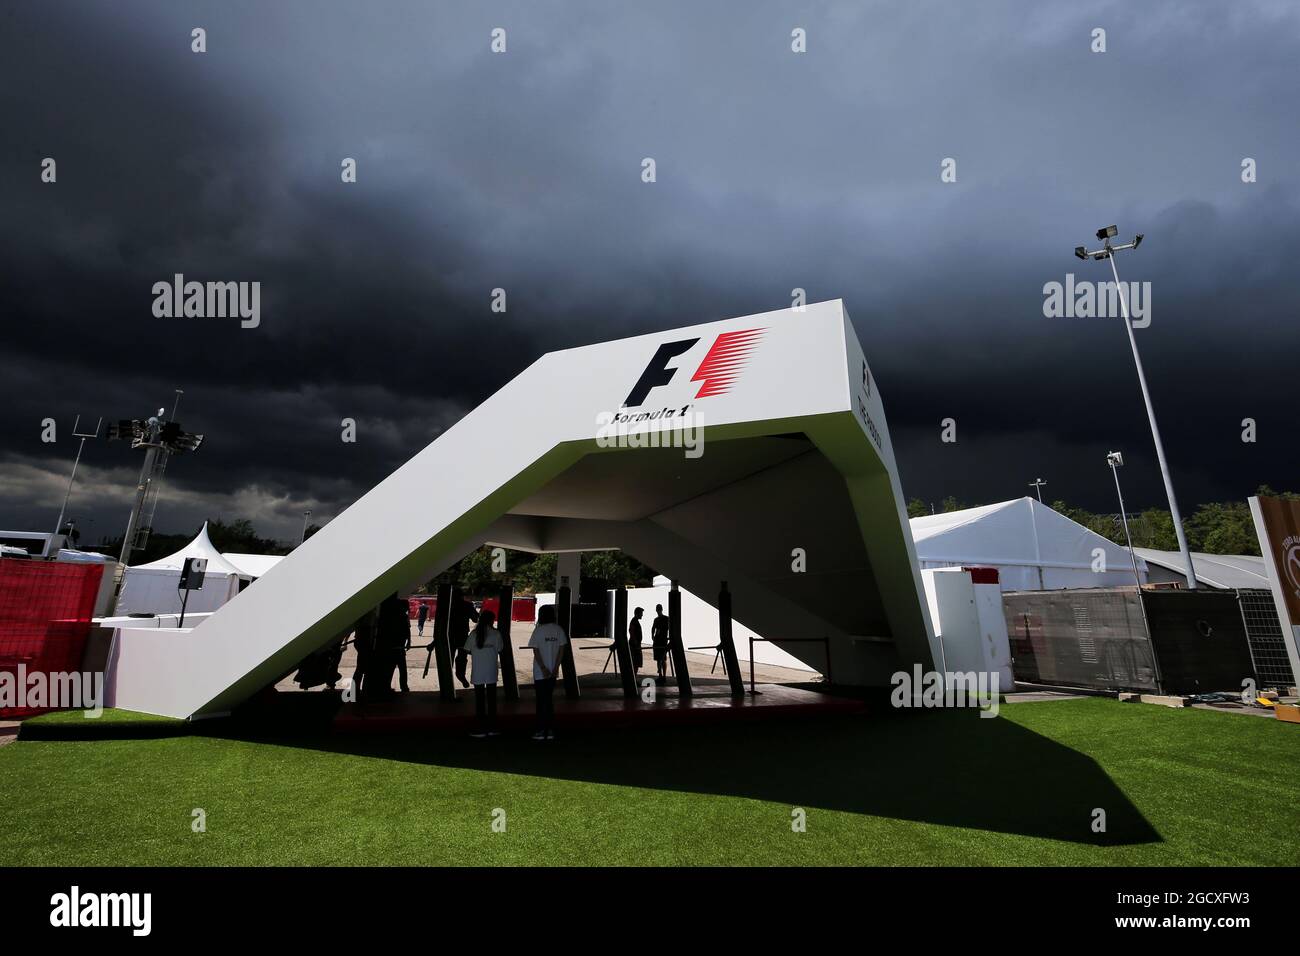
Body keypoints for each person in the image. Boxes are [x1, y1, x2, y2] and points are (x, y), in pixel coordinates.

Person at [528, 604, 569, 741]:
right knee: (549, 700)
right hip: (553, 671)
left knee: (541, 701)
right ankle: (550, 730)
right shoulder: (558, 630)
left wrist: (543, 668)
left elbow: (536, 650)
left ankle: (540, 730)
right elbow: (561, 650)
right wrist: (556, 667)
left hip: (541, 672)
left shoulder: (538, 631)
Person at [463, 609, 503, 737]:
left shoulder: (474, 634)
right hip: (491, 670)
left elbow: (467, 650)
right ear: (492, 620)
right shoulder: (496, 634)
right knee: (492, 701)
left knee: (479, 701)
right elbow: (500, 649)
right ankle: (492, 727)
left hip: (478, 671)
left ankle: (480, 728)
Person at [450, 594, 480, 689]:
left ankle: (448, 681)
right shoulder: (467, 605)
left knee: (448, 658)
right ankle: (461, 675)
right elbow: (475, 619)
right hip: (462, 635)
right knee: (462, 657)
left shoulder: (448, 605)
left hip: (449, 635)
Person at [650, 604, 671, 684]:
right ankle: (662, 676)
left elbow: (653, 629)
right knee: (662, 659)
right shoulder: (666, 619)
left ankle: (661, 675)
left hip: (659, 641)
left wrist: (653, 636)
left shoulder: (658, 619)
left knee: (660, 659)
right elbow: (669, 629)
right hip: (662, 641)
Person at [628, 607, 645, 673]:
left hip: (636, 644)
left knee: (636, 663)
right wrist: (635, 642)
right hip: (635, 646)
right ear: (638, 613)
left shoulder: (635, 621)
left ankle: (634, 678)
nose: (642, 615)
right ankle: (633, 679)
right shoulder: (634, 621)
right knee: (635, 663)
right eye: (641, 613)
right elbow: (631, 631)